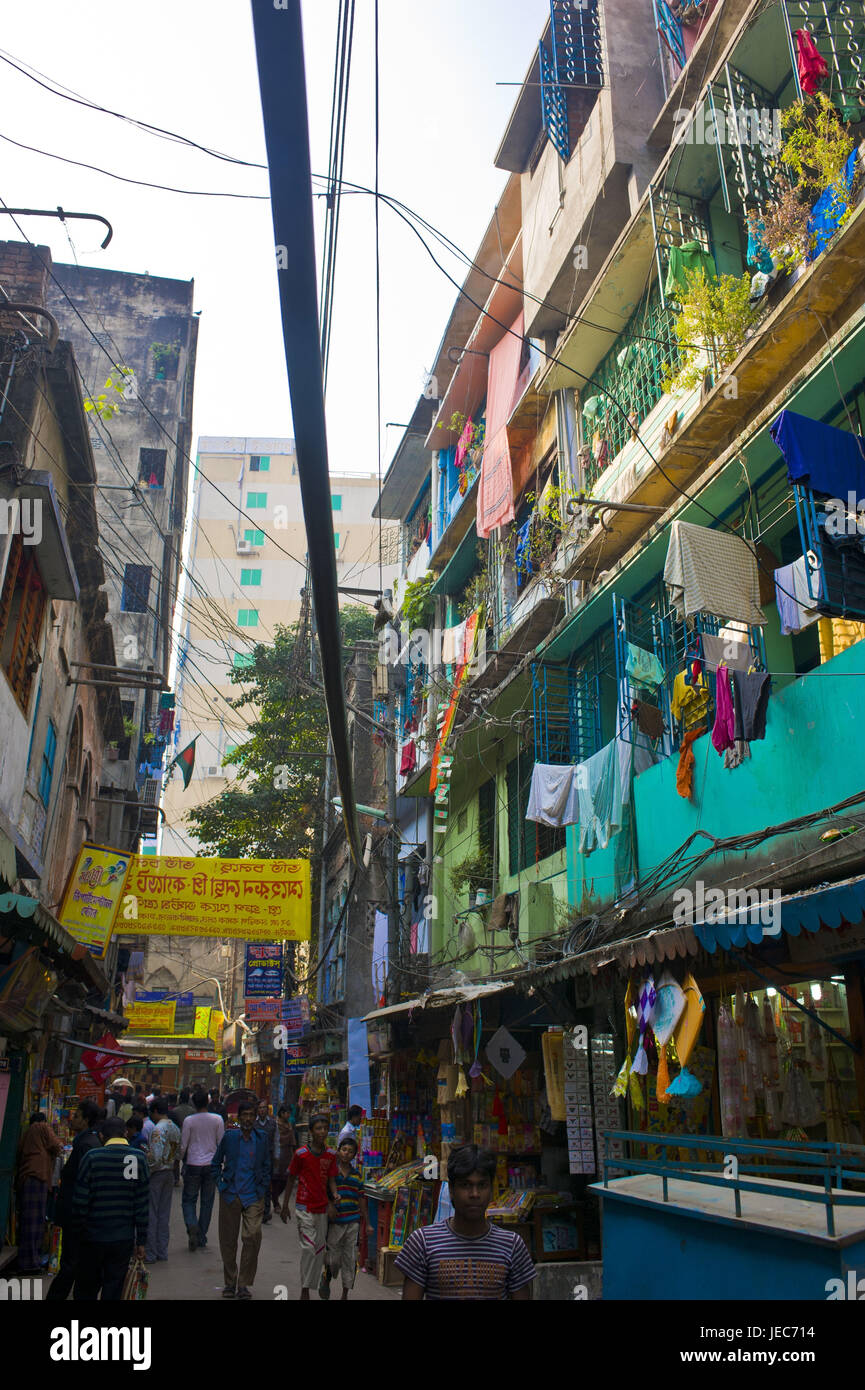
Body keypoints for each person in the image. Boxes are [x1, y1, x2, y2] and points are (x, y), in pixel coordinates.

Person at [395, 1145, 535, 1300]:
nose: (474, 1194)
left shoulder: (512, 1245)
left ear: (491, 1190)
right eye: (465, 1185)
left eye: (482, 1185)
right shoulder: (422, 1242)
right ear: (451, 1190)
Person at [71, 1116, 149, 1301]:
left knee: (86, 1288)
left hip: (92, 1237)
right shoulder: (139, 1158)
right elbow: (142, 1203)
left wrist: (77, 1235)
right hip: (123, 1238)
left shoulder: (91, 1158)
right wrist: (142, 1241)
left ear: (101, 1136)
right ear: (125, 1133)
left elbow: (80, 1202)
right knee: (114, 1287)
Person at [211, 1100, 269, 1299]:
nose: (248, 1119)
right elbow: (215, 1163)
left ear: (255, 1117)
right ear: (238, 1117)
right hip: (231, 1194)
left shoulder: (262, 1138)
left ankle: (243, 1283)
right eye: (244, 1115)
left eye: (251, 1115)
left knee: (253, 1236)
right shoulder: (230, 1137)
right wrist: (221, 1184)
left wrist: (262, 1187)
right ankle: (230, 1282)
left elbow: (267, 1165)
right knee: (228, 1241)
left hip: (253, 1195)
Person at [45, 1100, 102, 1301]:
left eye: (77, 1116)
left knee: (71, 1261)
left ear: (86, 1120)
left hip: (76, 1213)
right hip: (77, 1211)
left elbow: (84, 1182)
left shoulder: (86, 1145)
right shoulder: (86, 1142)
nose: (72, 1119)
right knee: (74, 1260)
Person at [279, 1113, 338, 1301]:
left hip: (321, 1208)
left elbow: (331, 1180)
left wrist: (334, 1196)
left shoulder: (331, 1155)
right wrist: (285, 1205)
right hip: (304, 1207)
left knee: (319, 1250)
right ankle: (305, 1289)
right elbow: (291, 1179)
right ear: (311, 1132)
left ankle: (315, 1281)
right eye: (319, 1128)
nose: (322, 1132)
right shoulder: (301, 1154)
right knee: (308, 1248)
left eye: (325, 1128)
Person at [320, 1135, 366, 1301]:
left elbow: (361, 1198)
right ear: (338, 1151)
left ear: (354, 1155)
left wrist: (366, 1222)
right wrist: (330, 1205)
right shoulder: (332, 1172)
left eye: (350, 1151)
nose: (347, 1154)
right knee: (334, 1259)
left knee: (350, 1259)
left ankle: (345, 1294)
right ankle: (326, 1277)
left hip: (353, 1221)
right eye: (344, 1150)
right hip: (335, 1222)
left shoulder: (357, 1176)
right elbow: (324, 1191)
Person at [16, 1112, 62, 1273]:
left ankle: (27, 1260)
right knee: (35, 1221)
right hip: (38, 1176)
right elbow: (57, 1146)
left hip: (27, 1176)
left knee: (28, 1220)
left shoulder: (27, 1133)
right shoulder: (41, 1126)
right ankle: (30, 1262)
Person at [181, 1089, 224, 1251]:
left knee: (188, 1200)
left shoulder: (189, 1121)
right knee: (207, 1202)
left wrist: (180, 1159)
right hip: (211, 1165)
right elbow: (221, 1143)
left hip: (193, 1164)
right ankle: (201, 1235)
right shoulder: (217, 1120)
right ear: (207, 1101)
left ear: (194, 1103)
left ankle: (192, 1224)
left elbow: (184, 1145)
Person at [144, 1098, 180, 1263]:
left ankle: (151, 1253)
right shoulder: (174, 1128)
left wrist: (148, 1164)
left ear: (155, 1111)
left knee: (152, 1213)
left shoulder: (158, 1129)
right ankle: (162, 1251)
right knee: (164, 1214)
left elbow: (155, 1157)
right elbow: (177, 1152)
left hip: (157, 1174)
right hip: (169, 1171)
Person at [254, 1099, 277, 1222]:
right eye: (260, 1108)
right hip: (256, 1157)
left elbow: (277, 1140)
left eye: (264, 1108)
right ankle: (256, 1209)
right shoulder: (253, 1123)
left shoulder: (273, 1123)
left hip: (269, 1156)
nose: (262, 1110)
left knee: (267, 1184)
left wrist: (277, 1156)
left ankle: (266, 1211)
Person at [272, 1105, 296, 1211]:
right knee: (275, 1179)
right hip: (277, 1153)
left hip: (287, 1155)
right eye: (286, 1113)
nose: (288, 1115)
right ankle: (275, 1201)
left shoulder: (289, 1125)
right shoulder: (275, 1124)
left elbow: (292, 1141)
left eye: (289, 1113)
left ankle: (274, 1197)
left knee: (284, 1180)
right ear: (281, 1113)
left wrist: (292, 1156)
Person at [169, 1089, 195, 1187]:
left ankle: (175, 1179)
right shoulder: (193, 1111)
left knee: (175, 1159)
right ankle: (185, 1174)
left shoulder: (174, 1110)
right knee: (187, 1159)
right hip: (189, 1137)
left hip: (175, 1137)